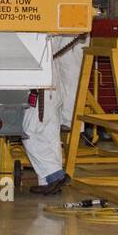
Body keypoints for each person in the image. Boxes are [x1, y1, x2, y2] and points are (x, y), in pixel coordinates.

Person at [22, 32, 88, 195]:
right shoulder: (69, 31)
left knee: (30, 132)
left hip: (43, 85)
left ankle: (52, 175)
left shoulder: (49, 31)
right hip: (51, 85)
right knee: (50, 133)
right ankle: (48, 181)